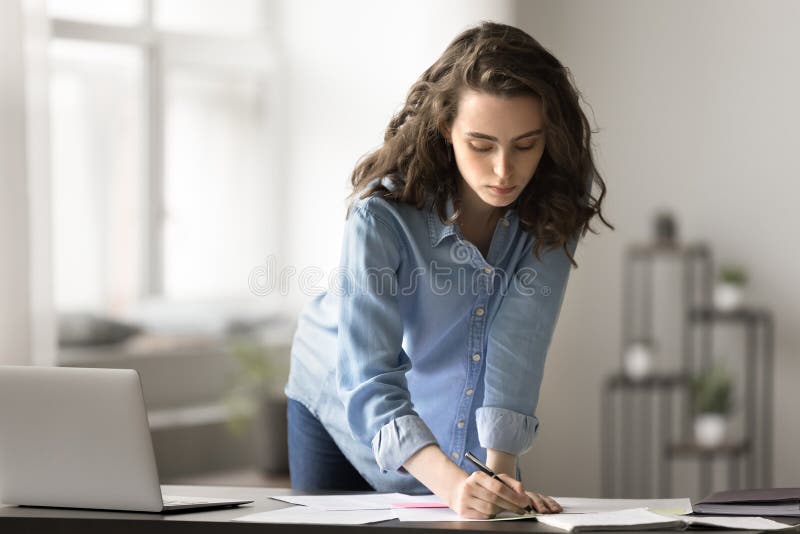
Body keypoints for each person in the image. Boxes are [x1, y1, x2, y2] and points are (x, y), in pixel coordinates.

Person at [284, 21, 611, 519]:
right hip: (338, 401)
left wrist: (497, 479)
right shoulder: (382, 214)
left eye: (526, 145)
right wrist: (455, 487)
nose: (504, 170)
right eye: (481, 145)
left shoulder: (555, 203)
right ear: (445, 129)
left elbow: (521, 338)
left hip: (444, 419)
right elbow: (369, 375)